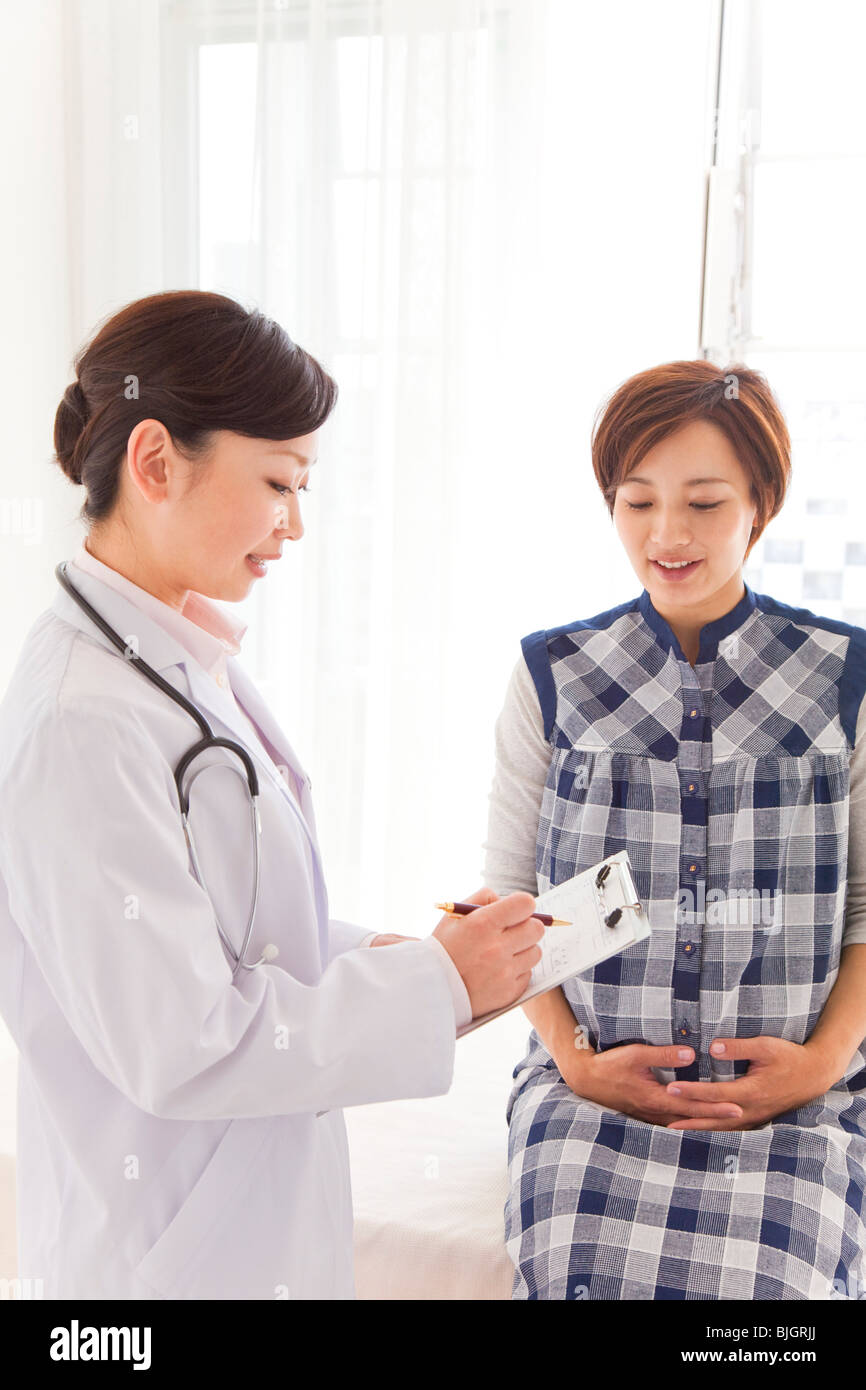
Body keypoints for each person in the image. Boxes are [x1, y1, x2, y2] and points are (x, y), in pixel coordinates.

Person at [0, 289, 544, 1300]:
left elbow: (222, 925)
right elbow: (182, 1042)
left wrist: (402, 957)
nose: (295, 523)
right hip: (164, 1261)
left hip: (243, 1229)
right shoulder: (84, 717)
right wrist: (434, 988)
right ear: (156, 461)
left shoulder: (171, 655)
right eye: (280, 482)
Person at [483, 360, 866, 1300]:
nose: (666, 534)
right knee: (577, 1263)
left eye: (703, 502)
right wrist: (575, 1062)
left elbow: (864, 909)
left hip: (790, 1106)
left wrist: (817, 1067)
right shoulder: (553, 676)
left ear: (759, 506)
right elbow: (507, 903)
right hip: (592, 1093)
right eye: (637, 501)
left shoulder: (842, 679)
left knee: (774, 1289)